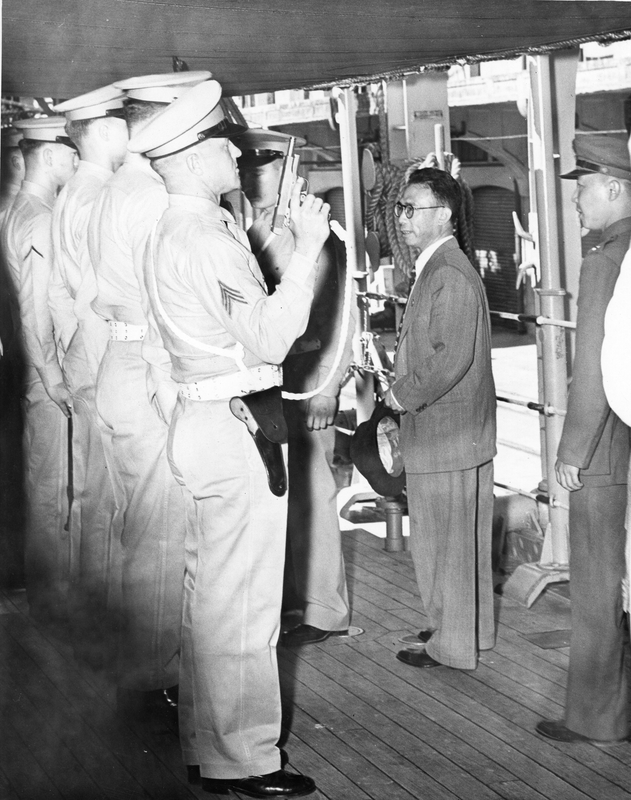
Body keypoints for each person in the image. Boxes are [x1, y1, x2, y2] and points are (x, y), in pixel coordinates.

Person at [128, 78, 329, 797]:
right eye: (222, 144)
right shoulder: (207, 238)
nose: (234, 156)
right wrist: (305, 252)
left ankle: (203, 743)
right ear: (187, 155)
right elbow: (271, 336)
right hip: (236, 424)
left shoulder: (165, 230)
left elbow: (159, 344)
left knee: (206, 595)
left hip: (198, 417)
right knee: (242, 601)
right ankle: (243, 758)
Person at [87, 70, 211, 706]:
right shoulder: (154, 196)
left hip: (116, 359)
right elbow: (167, 304)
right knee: (162, 539)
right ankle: (154, 679)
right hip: (148, 370)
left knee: (133, 527)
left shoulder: (112, 188)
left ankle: (134, 665)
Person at [236, 128, 353, 646]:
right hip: (265, 380)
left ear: (286, 169)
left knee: (314, 493)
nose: (248, 174)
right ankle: (289, 601)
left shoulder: (310, 228)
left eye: (260, 166)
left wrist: (330, 383)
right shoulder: (245, 227)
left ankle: (324, 609)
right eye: (244, 165)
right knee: (277, 491)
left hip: (305, 381)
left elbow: (340, 311)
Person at [537, 135, 631, 745]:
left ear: (616, 188)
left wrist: (572, 452)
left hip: (607, 441)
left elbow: (594, 366)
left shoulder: (606, 257)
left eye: (584, 186)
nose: (575, 200)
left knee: (597, 578)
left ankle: (598, 716)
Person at [383, 167, 496, 670]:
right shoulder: (442, 266)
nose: (401, 219)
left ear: (443, 215)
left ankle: (450, 647)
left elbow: (449, 359)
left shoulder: (447, 271)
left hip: (443, 432)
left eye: (412, 209)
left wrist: (399, 395)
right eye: (400, 209)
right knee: (461, 544)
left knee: (440, 544)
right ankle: (469, 632)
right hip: (458, 433)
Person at [48, 85, 130, 660]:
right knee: (110, 499)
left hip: (83, 355)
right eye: (124, 124)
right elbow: (103, 294)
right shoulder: (100, 194)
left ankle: (85, 617)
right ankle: (103, 627)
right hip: (106, 356)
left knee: (91, 497)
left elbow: (59, 295)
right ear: (102, 133)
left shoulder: (72, 193)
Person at [2, 117, 78, 622]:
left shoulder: (15, 209)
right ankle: (52, 600)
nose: (76, 162)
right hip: (42, 370)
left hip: (23, 363)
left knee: (42, 481)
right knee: (53, 487)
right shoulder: (41, 219)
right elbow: (34, 307)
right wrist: (52, 376)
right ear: (50, 157)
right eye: (70, 154)